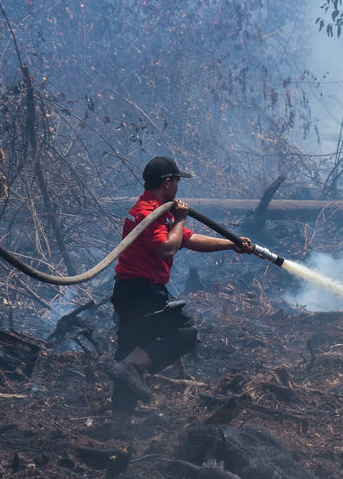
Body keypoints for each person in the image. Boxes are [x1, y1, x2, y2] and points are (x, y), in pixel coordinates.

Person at [105, 155, 252, 431]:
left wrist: (230, 244)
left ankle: (119, 428)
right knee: (184, 332)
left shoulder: (159, 210)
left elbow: (187, 239)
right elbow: (167, 248)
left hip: (132, 290)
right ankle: (132, 369)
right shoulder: (148, 213)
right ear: (168, 183)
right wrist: (181, 218)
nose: (178, 188)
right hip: (142, 292)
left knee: (128, 353)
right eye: (176, 182)